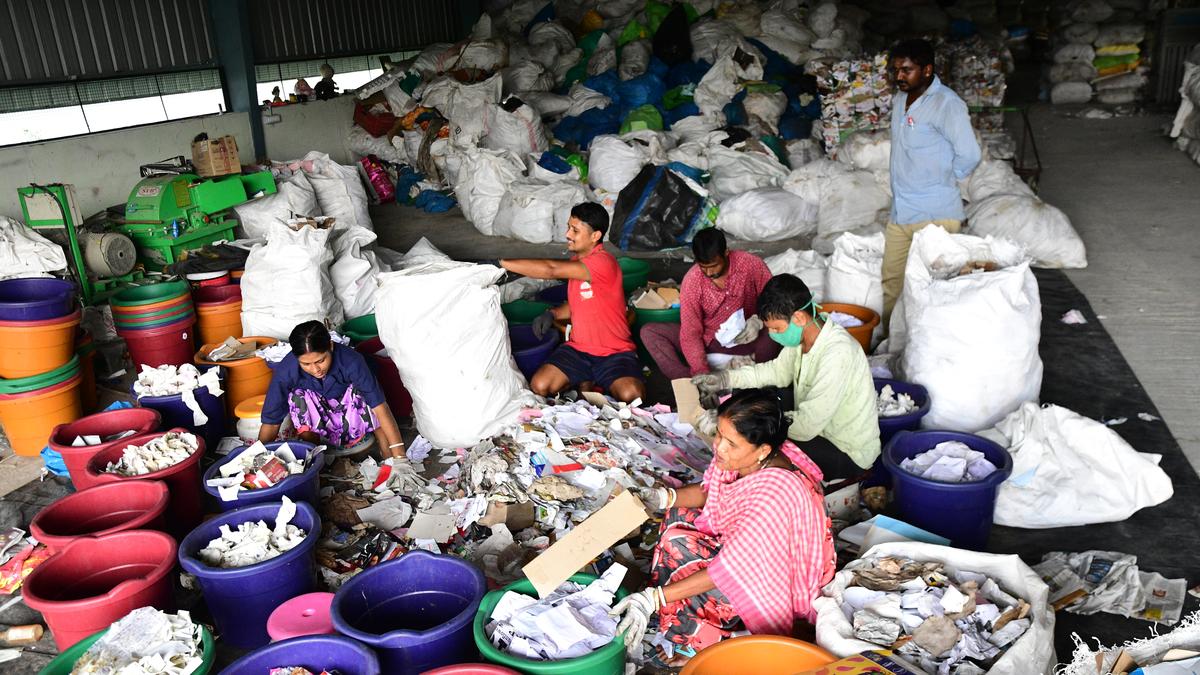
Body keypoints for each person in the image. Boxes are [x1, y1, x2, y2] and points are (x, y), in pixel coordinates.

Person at [611, 389, 835, 660]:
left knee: (680, 546)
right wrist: (663, 497)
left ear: (763, 450)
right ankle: (676, 605)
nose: (719, 447)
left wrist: (654, 598)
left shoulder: (776, 493)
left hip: (776, 577)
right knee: (676, 515)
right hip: (749, 548)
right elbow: (712, 492)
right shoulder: (753, 456)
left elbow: (731, 569)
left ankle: (704, 636)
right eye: (719, 434)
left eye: (731, 443)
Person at [692, 274, 880, 480]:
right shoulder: (804, 335)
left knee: (759, 446)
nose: (773, 334)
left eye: (776, 328)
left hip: (845, 452)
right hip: (817, 428)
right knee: (749, 396)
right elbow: (776, 372)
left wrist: (744, 425)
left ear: (798, 317)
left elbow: (807, 426)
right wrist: (724, 379)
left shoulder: (838, 353)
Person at [499, 203, 645, 403]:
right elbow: (580, 302)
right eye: (569, 227)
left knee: (632, 395)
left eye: (575, 230)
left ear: (595, 236)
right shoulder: (578, 262)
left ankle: (585, 384)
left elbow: (551, 269)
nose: (568, 234)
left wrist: (501, 264)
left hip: (614, 352)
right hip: (578, 349)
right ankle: (586, 383)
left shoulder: (603, 263)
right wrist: (553, 313)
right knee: (540, 385)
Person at [883, 38, 981, 325]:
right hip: (901, 210)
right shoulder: (900, 100)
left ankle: (928, 348)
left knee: (935, 287)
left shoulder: (947, 104)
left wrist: (944, 181)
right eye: (896, 70)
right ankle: (890, 341)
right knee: (892, 280)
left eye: (906, 70)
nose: (899, 76)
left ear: (927, 70)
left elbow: (969, 154)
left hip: (936, 212)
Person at [640, 229, 780, 380]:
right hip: (710, 345)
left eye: (714, 265)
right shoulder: (692, 281)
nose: (709, 272)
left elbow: (774, 300)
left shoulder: (751, 264)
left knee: (778, 328)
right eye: (703, 267)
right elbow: (690, 332)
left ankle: (758, 376)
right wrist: (701, 369)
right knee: (650, 332)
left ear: (726, 252)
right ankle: (691, 381)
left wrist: (758, 320)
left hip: (749, 340)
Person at [259, 321, 409, 461]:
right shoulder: (286, 370)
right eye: (306, 364)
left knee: (365, 392)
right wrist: (257, 459)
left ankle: (387, 456)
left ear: (330, 346)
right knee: (298, 397)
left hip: (351, 410)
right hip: (320, 413)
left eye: (320, 361)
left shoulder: (351, 361)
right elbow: (271, 421)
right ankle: (315, 458)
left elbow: (379, 407)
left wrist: (400, 458)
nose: (315, 369)